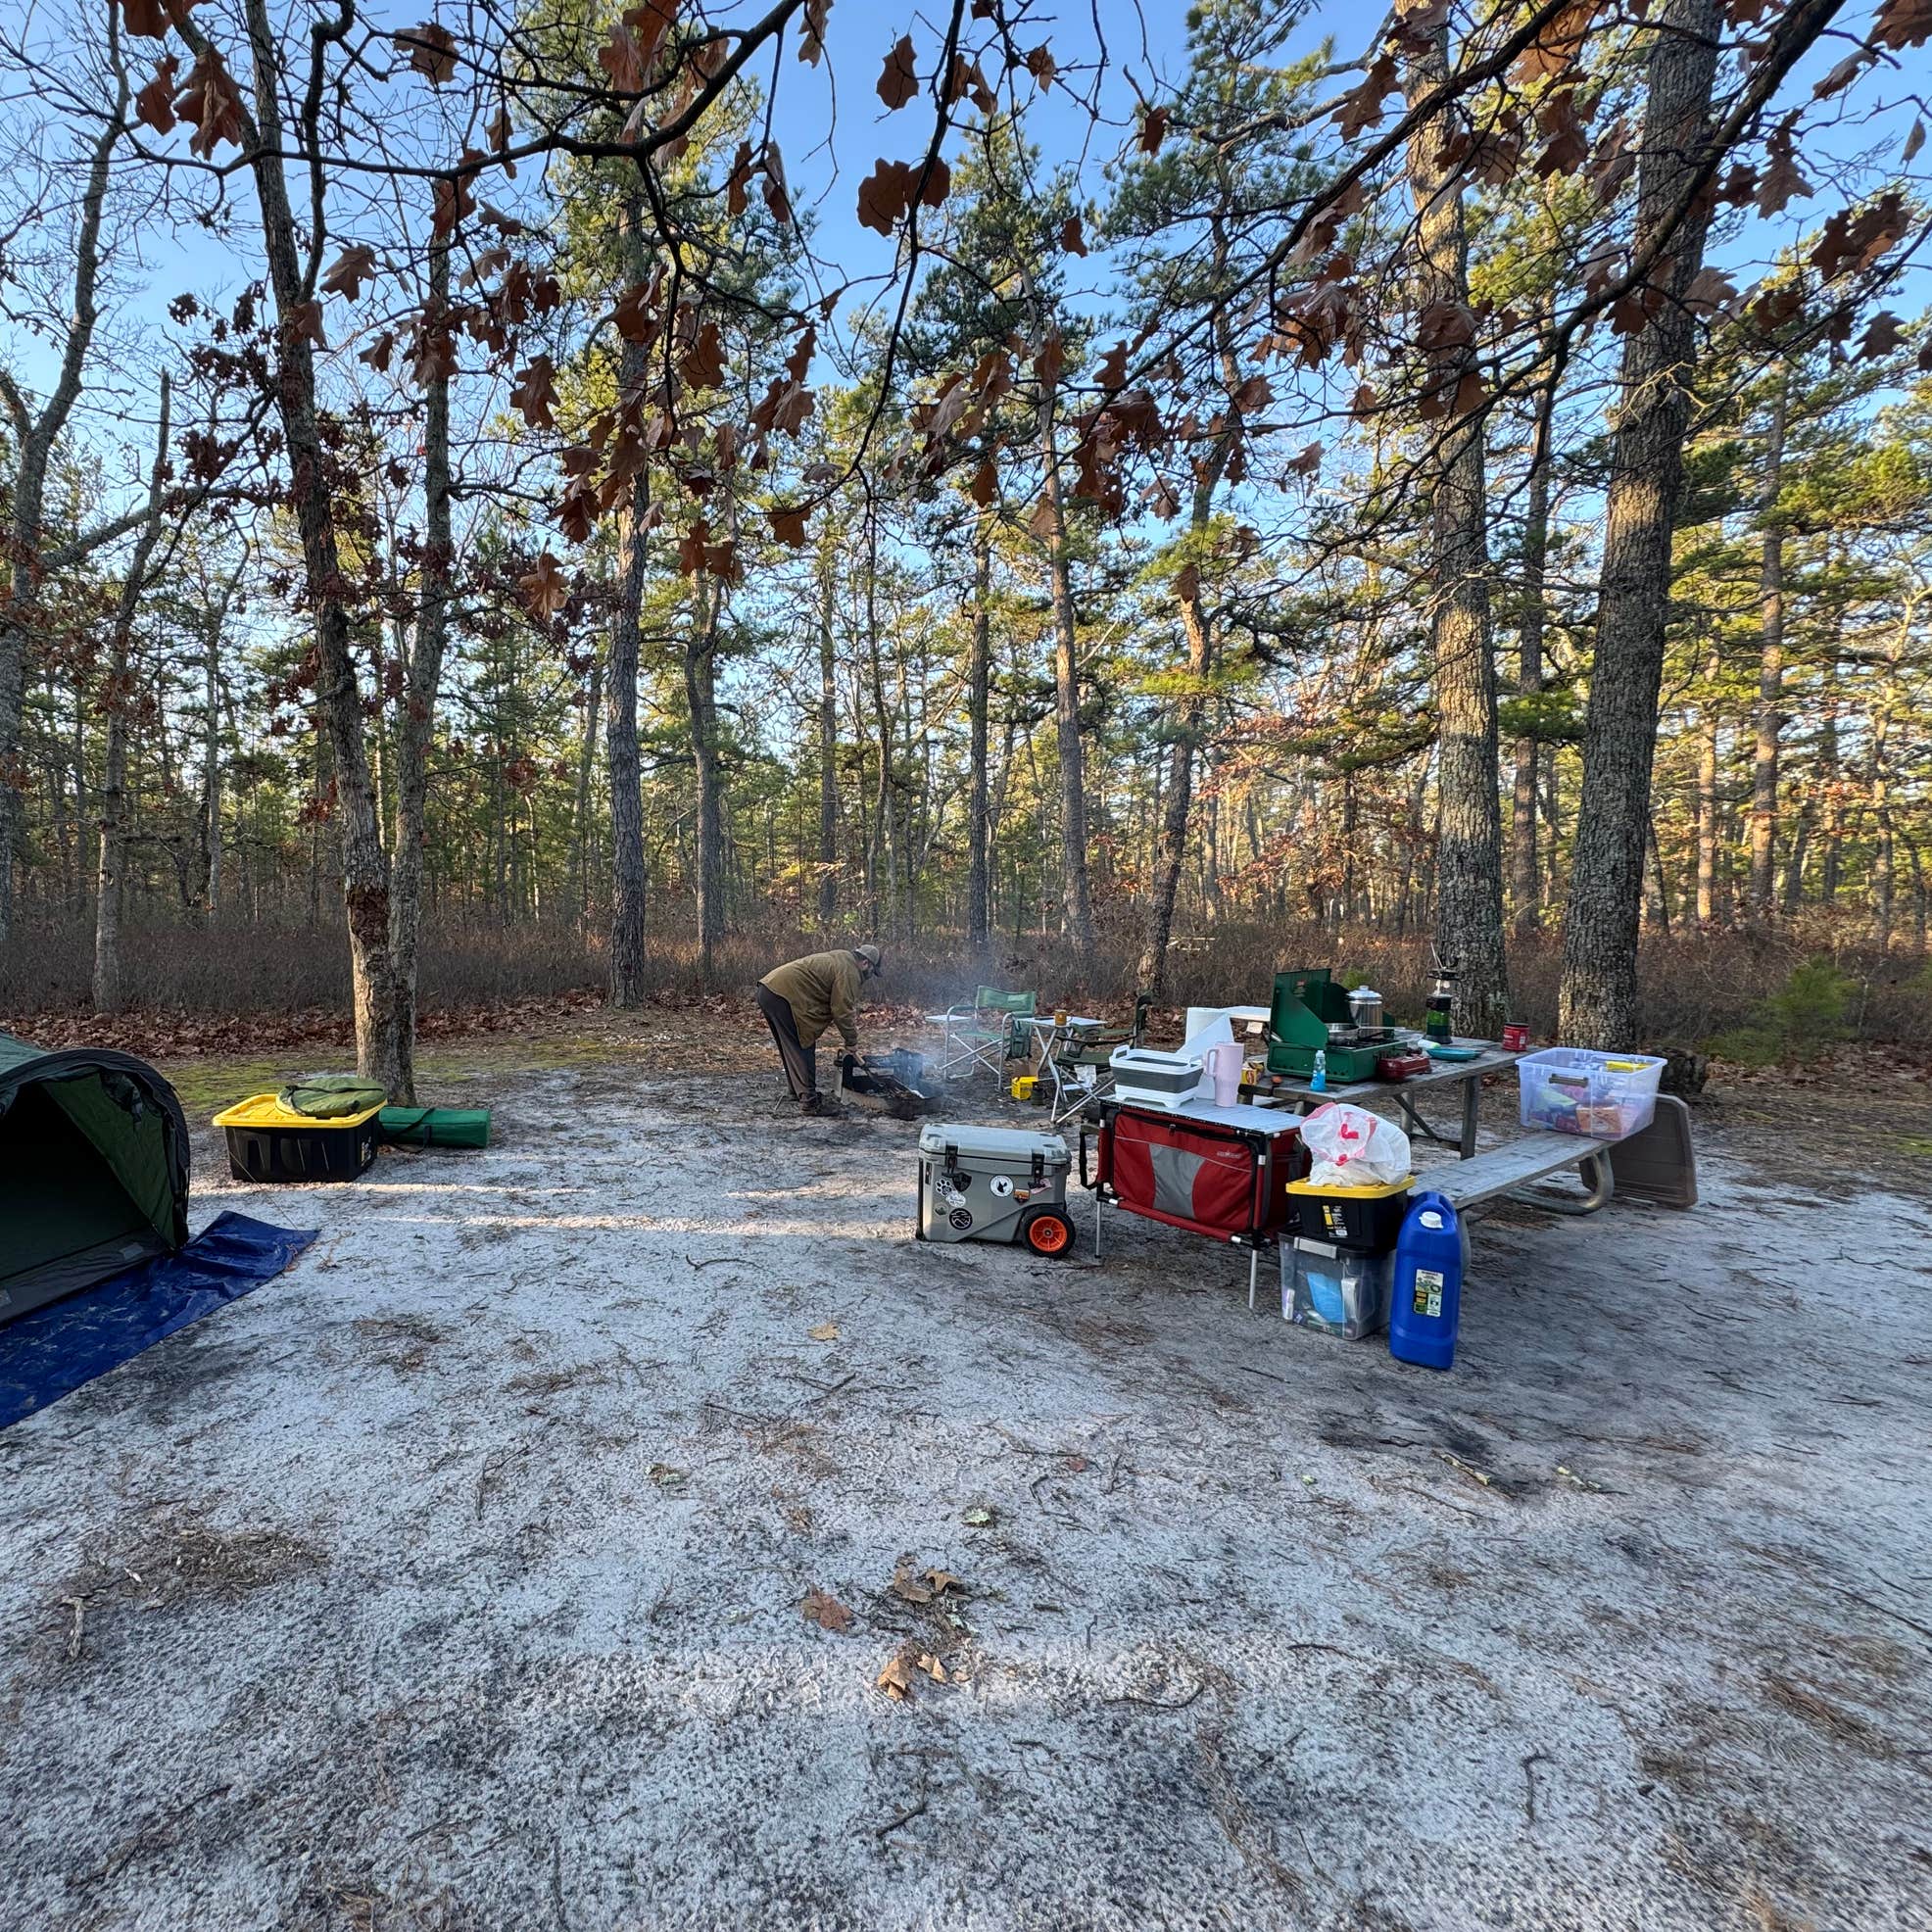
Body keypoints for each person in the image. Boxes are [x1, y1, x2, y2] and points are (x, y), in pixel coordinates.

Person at [756, 943, 883, 1116]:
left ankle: (796, 1091)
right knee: (803, 1043)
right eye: (872, 972)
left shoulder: (842, 958)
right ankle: (809, 1103)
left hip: (769, 989)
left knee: (791, 1045)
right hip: (784, 995)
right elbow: (842, 1010)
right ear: (866, 963)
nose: (870, 977)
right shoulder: (850, 971)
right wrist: (851, 1041)